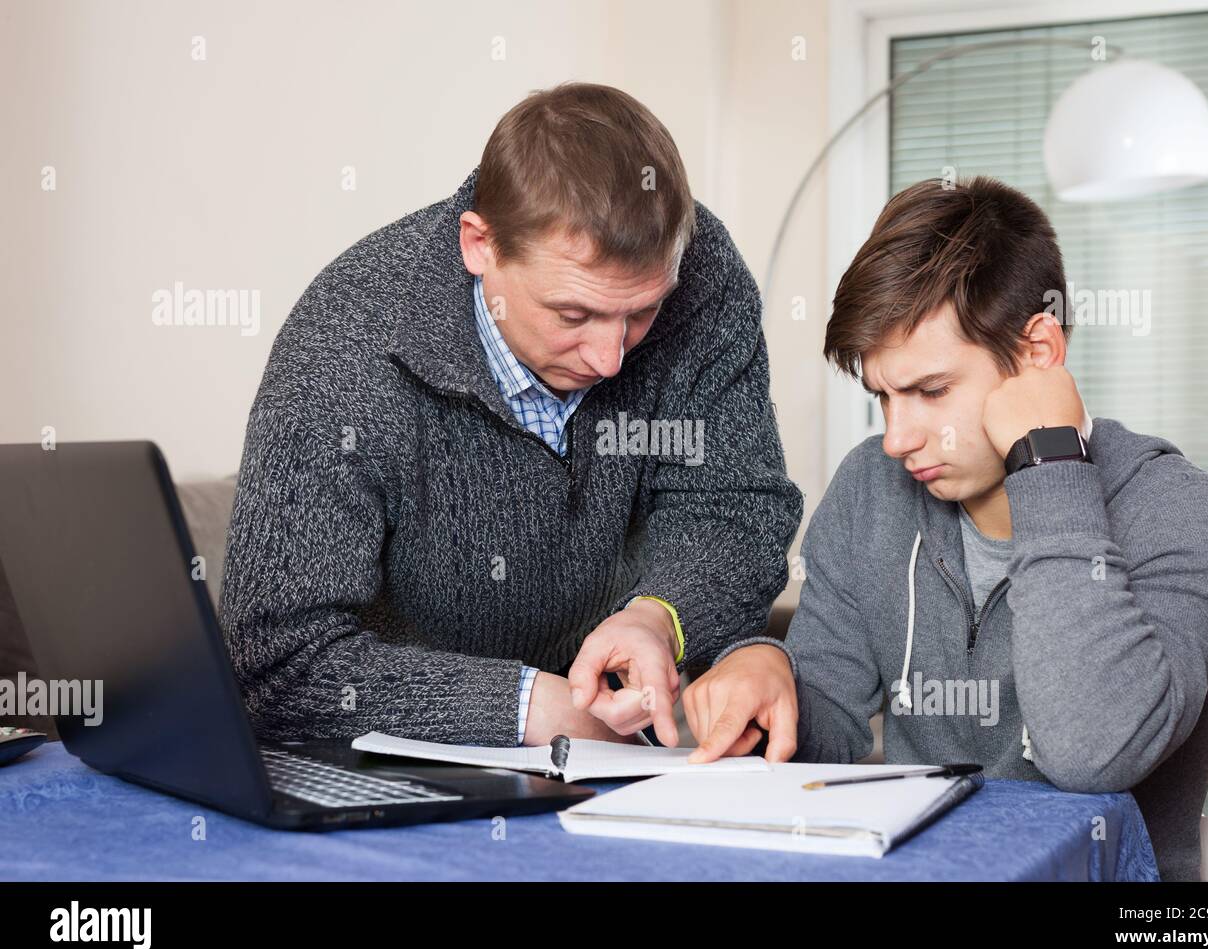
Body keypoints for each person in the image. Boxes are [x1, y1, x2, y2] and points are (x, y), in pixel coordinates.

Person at [684, 175, 1208, 881]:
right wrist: (768, 673)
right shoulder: (871, 488)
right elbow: (826, 715)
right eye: (882, 397)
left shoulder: (1192, 514)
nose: (897, 437)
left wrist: (1047, 462)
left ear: (1039, 351)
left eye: (930, 391)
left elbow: (1092, 751)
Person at [220, 82, 802, 750]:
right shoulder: (346, 342)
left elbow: (734, 504)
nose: (611, 358)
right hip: (398, 771)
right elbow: (276, 665)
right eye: (573, 314)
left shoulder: (704, 274)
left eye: (641, 312)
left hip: (624, 768)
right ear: (480, 245)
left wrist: (657, 618)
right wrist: (526, 708)